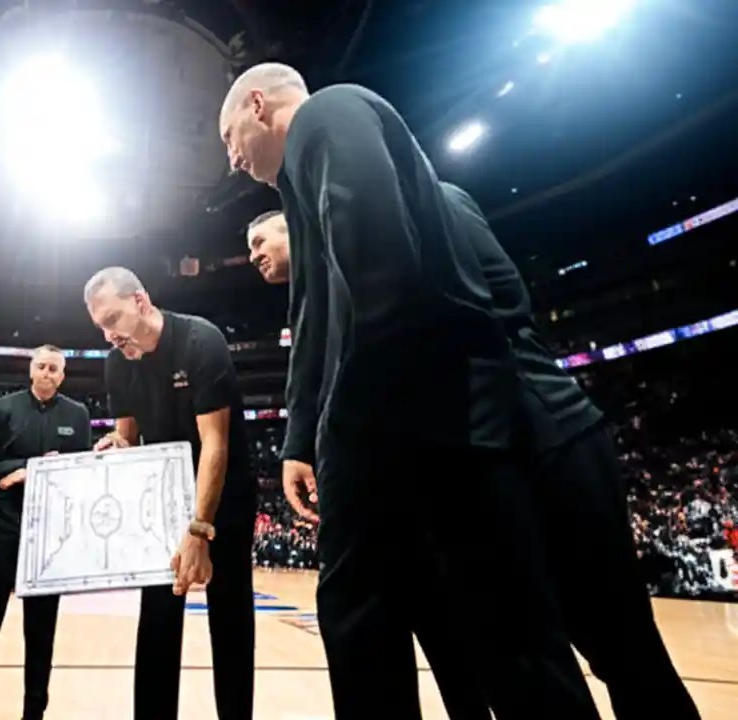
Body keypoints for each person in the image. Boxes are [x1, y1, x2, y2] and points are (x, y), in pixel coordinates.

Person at [218, 67, 598, 719]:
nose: (231, 157)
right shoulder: (306, 190)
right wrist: (300, 438)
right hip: (421, 422)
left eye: (229, 136)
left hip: (415, 422)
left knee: (397, 624)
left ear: (259, 104)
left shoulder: (330, 112)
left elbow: (380, 271)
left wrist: (340, 438)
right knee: (498, 638)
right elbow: (313, 320)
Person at [441, 182, 700, 720]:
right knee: (554, 653)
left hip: (544, 436)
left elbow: (502, 305)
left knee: (620, 650)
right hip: (512, 446)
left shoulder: (430, 200)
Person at [245, 211, 491, 720]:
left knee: (400, 617)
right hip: (373, 468)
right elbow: (309, 368)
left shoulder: (346, 253)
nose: (252, 255)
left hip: (392, 461)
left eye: (259, 240)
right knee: (422, 612)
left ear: (295, 225)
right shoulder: (313, 287)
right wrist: (297, 444)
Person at [84, 267, 255, 720]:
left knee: (230, 618)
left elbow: (215, 445)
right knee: (158, 620)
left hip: (226, 496)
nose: (109, 335)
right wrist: (117, 447)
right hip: (162, 501)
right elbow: (128, 437)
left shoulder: (200, 341)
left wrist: (199, 530)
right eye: (101, 326)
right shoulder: (116, 362)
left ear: (141, 301)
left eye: (114, 319)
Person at [0, 345, 92, 720]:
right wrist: (27, 468)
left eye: (54, 369)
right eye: (41, 366)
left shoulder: (78, 415)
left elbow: (82, 470)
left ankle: (34, 711)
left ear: (63, 375)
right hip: (3, 526)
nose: (47, 373)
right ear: (31, 370)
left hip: (51, 535)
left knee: (41, 631)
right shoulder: (2, 409)